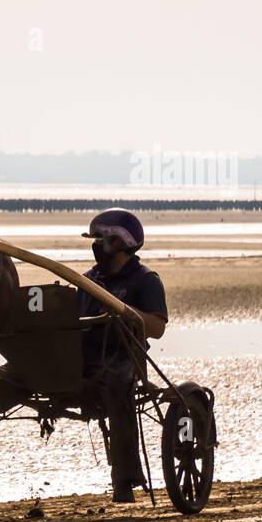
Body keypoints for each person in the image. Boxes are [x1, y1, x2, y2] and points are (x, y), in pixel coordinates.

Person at [78, 208, 168, 502]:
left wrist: (123, 310)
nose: (96, 246)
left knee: (117, 387)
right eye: (95, 240)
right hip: (83, 358)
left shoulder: (146, 280)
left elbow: (156, 327)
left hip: (123, 360)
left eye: (102, 240)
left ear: (120, 243)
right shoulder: (87, 280)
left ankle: (126, 478)